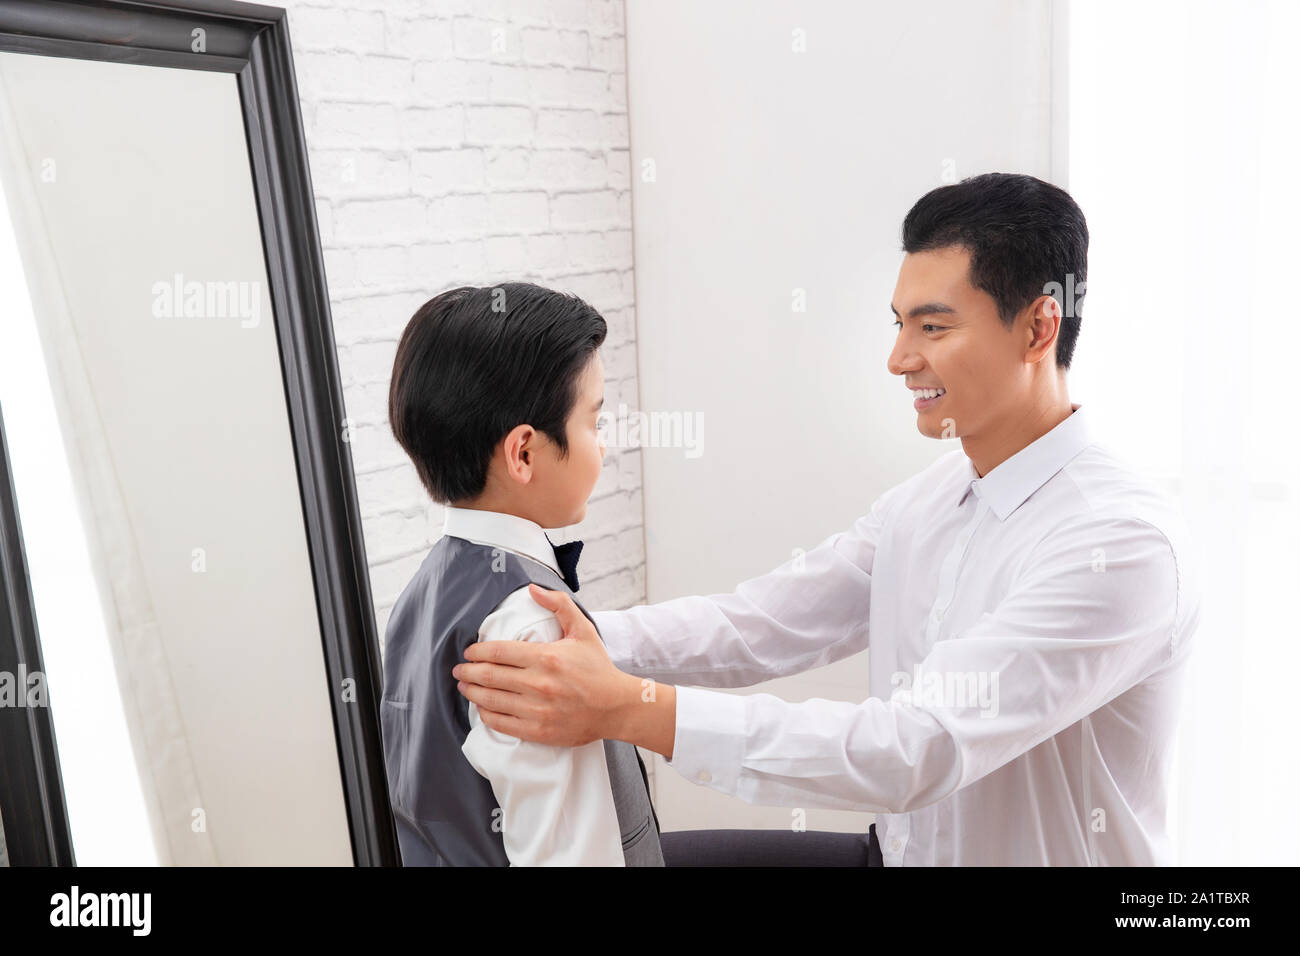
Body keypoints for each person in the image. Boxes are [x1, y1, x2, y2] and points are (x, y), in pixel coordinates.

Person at [453, 172, 1202, 866]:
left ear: (1040, 327)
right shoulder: (930, 502)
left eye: (933, 328)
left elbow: (914, 749)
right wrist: (570, 635)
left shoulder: (1121, 546)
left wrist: (627, 707)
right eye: (899, 323)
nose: (899, 358)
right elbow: (764, 623)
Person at [380, 282, 662, 866]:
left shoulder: (422, 592)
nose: (602, 448)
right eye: (593, 422)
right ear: (525, 453)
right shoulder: (534, 627)